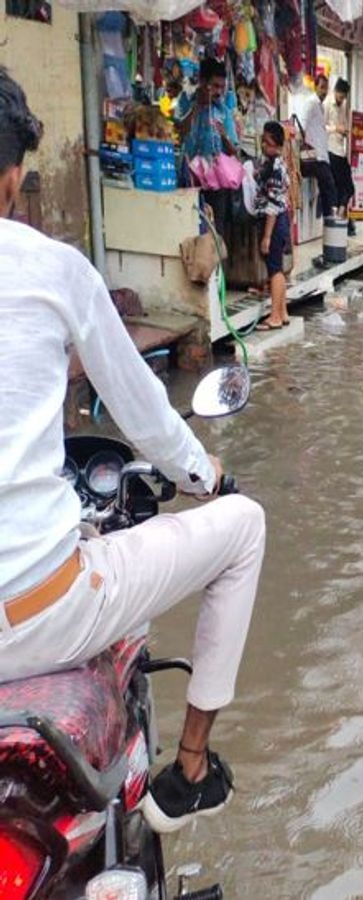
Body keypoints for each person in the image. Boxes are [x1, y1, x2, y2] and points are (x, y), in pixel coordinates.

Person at [0, 68, 265, 833]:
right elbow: (143, 410)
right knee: (244, 527)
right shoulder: (54, 270)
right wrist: (204, 475)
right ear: (15, 176)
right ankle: (188, 773)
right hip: (42, 616)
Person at [177, 58, 240, 246]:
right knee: (188, 228)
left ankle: (215, 272)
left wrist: (224, 136)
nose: (219, 91)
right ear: (203, 83)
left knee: (215, 231)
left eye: (222, 87)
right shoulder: (186, 102)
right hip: (189, 178)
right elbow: (181, 132)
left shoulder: (224, 111)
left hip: (215, 183)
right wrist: (197, 106)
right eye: (214, 86)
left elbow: (233, 152)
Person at [254, 121, 291, 331]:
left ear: (277, 146)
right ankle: (283, 312)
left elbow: (273, 205)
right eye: (262, 141)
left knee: (274, 270)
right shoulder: (272, 164)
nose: (263, 146)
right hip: (279, 221)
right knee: (278, 270)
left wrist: (267, 236)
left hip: (274, 223)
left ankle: (275, 317)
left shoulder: (276, 167)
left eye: (267, 143)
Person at [289, 74, 336, 228]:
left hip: (321, 155)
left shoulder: (320, 106)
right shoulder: (311, 103)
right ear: (316, 87)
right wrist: (304, 145)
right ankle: (331, 223)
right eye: (322, 88)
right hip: (313, 157)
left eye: (326, 89)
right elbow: (300, 126)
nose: (324, 92)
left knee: (329, 187)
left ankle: (329, 220)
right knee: (329, 187)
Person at [325, 77, 355, 236]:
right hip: (330, 150)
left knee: (349, 187)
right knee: (338, 188)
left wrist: (344, 131)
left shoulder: (343, 106)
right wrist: (336, 128)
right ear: (335, 91)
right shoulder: (326, 104)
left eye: (344, 97)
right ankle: (341, 220)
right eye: (340, 96)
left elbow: (343, 124)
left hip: (340, 150)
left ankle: (343, 215)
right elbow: (322, 127)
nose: (341, 100)